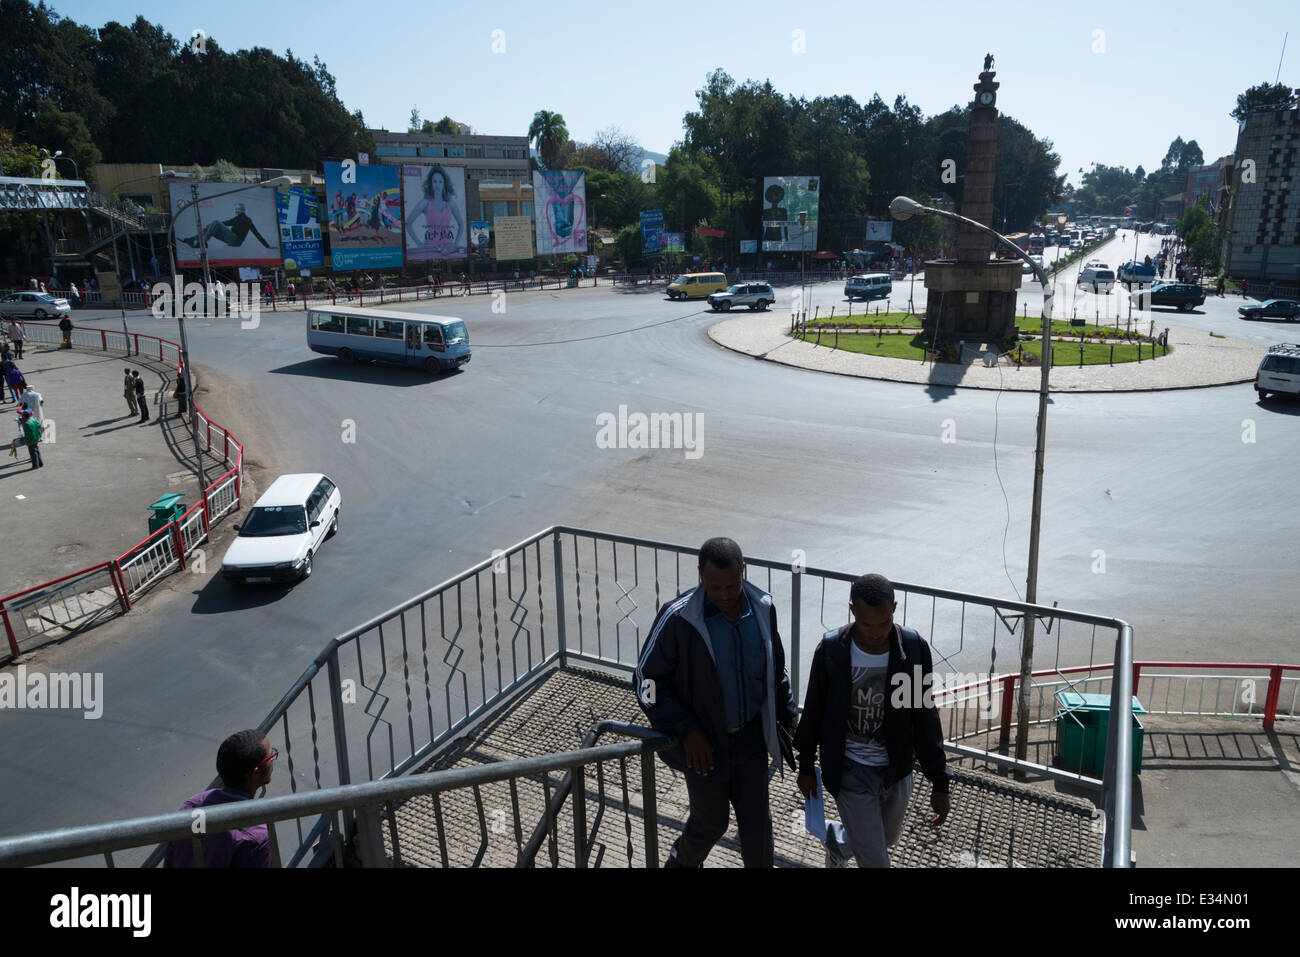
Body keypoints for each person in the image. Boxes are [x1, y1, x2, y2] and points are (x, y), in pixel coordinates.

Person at [635, 537, 798, 868]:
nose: (724, 595)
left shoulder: (764, 609)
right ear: (700, 576)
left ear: (744, 572)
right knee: (710, 824)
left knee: (757, 826)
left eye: (732, 585)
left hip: (750, 740)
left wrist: (787, 717)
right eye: (714, 587)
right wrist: (687, 729)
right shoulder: (678, 619)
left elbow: (775, 668)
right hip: (705, 747)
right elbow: (645, 682)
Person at [794, 573, 951, 868]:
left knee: (885, 839)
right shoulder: (832, 650)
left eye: (884, 623)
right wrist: (805, 764)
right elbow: (814, 709)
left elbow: (925, 716)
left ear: (894, 608)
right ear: (852, 610)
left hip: (896, 770)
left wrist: (939, 781)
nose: (876, 633)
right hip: (850, 769)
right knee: (876, 860)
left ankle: (838, 846)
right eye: (867, 624)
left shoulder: (914, 649)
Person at [164, 730, 277, 868]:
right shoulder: (255, 835)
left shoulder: (191, 807)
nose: (272, 759)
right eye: (271, 756)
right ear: (255, 772)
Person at [178, 203, 271, 251]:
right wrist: (210, 225)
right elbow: (225, 223)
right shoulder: (237, 218)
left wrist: (267, 245)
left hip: (236, 240)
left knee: (216, 223)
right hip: (230, 238)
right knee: (214, 225)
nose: (236, 210)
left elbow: (256, 233)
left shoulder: (247, 220)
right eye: (236, 209)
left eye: (238, 209)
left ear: (242, 210)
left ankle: (202, 242)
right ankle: (192, 239)